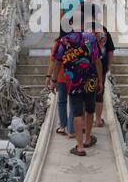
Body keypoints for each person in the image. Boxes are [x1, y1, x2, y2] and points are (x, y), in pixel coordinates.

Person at [46, 22, 101, 156]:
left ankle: (80, 147)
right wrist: (101, 80)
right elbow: (97, 61)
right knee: (89, 109)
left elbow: (58, 62)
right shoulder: (91, 39)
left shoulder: (64, 42)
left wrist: (53, 80)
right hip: (90, 79)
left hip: (74, 81)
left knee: (76, 112)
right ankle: (88, 139)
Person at [91, 22, 115, 126]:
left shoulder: (82, 31)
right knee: (99, 92)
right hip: (101, 66)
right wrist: (109, 65)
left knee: (88, 94)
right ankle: (98, 119)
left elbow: (109, 50)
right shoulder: (103, 31)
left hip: (85, 68)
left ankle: (87, 120)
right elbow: (110, 50)